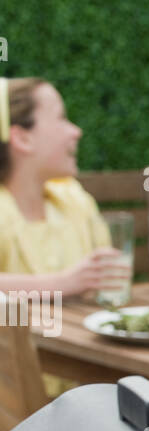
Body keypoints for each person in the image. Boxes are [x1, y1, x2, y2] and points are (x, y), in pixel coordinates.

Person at [0, 77, 130, 301]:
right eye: (61, 118)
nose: (76, 131)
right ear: (22, 138)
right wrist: (62, 283)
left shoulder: (75, 199)